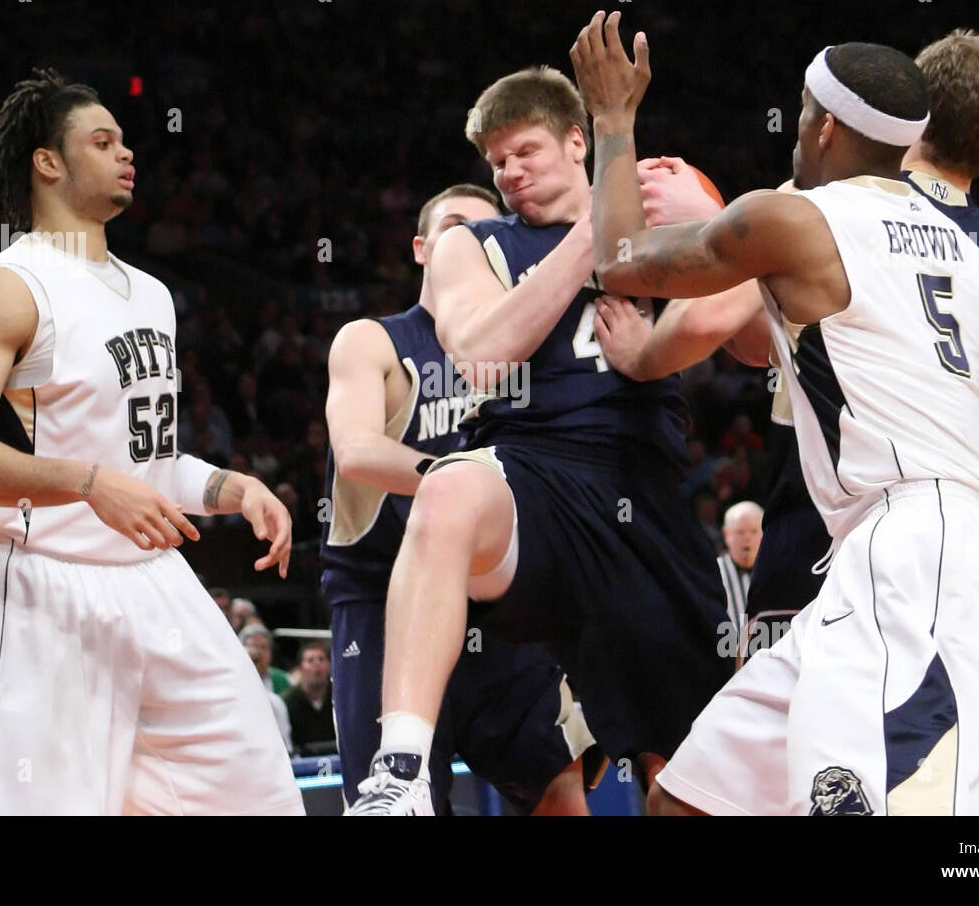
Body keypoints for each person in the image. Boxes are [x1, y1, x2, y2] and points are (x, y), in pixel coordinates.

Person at [573, 12, 979, 815]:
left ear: (820, 126)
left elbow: (620, 263)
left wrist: (612, 122)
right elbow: (774, 340)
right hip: (906, 554)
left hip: (915, 554)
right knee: (688, 800)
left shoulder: (798, 217)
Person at [0, 68, 301, 816]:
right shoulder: (7, 285)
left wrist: (234, 487)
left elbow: (145, 463)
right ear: (48, 162)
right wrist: (90, 483)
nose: (127, 153)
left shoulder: (151, 293)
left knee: (260, 797)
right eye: (102, 141)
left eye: (124, 141)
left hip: (156, 585)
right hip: (40, 590)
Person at [346, 63, 731, 814]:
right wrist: (592, 235)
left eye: (524, 151)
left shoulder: (656, 215)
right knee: (449, 486)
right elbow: (485, 361)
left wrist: (652, 348)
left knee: (691, 777)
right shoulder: (474, 244)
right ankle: (398, 773)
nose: (509, 171)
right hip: (535, 478)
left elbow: (736, 309)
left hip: (644, 492)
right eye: (495, 162)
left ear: (578, 140)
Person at [325, 184, 596, 814]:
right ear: (422, 249)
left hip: (498, 602)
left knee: (559, 784)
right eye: (453, 229)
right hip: (384, 599)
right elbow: (359, 452)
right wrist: (462, 484)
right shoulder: (373, 340)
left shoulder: (524, 350)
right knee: (398, 801)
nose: (469, 243)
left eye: (485, 232)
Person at [717, 500, 762, 661]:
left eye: (754, 531)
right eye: (740, 532)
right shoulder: (715, 573)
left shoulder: (775, 572)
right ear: (726, 534)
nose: (747, 538)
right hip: (725, 662)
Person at [282, 641, 336, 754]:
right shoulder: (288, 701)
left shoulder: (339, 697)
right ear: (300, 668)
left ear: (329, 666)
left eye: (321, 659)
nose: (317, 664)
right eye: (310, 660)